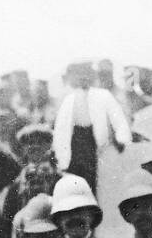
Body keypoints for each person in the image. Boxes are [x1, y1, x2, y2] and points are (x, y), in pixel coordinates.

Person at [52, 61, 130, 197]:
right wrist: (60, 155)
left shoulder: (103, 95)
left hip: (96, 143)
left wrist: (121, 138)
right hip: (76, 144)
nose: (83, 78)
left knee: (100, 184)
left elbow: (118, 119)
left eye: (86, 74)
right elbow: (61, 129)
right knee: (79, 185)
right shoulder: (67, 98)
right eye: (79, 75)